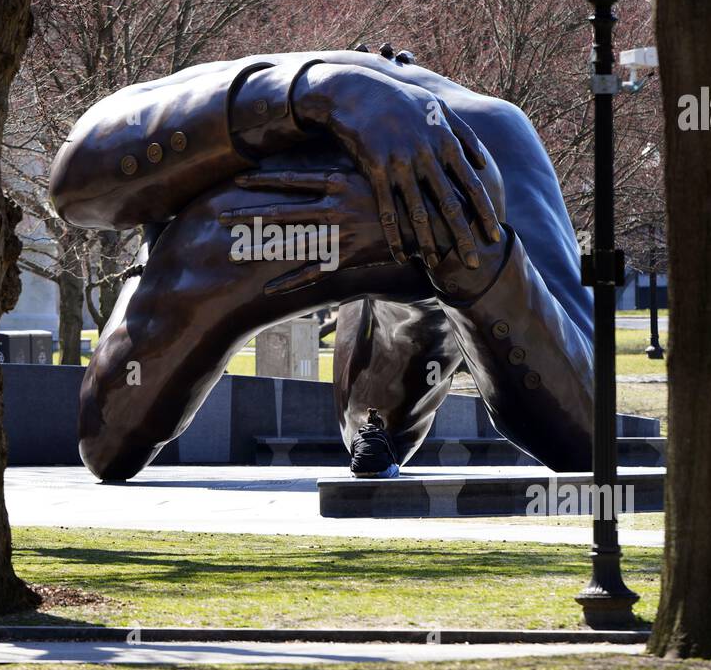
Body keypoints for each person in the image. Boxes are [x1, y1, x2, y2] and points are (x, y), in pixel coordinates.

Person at [50, 48, 595, 480]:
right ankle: (205, 273)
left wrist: (462, 247)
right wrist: (318, 92)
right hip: (253, 189)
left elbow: (589, 426)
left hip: (416, 247)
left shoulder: (484, 142)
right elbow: (72, 182)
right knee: (113, 438)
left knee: (372, 420)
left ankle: (415, 280)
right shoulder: (272, 88)